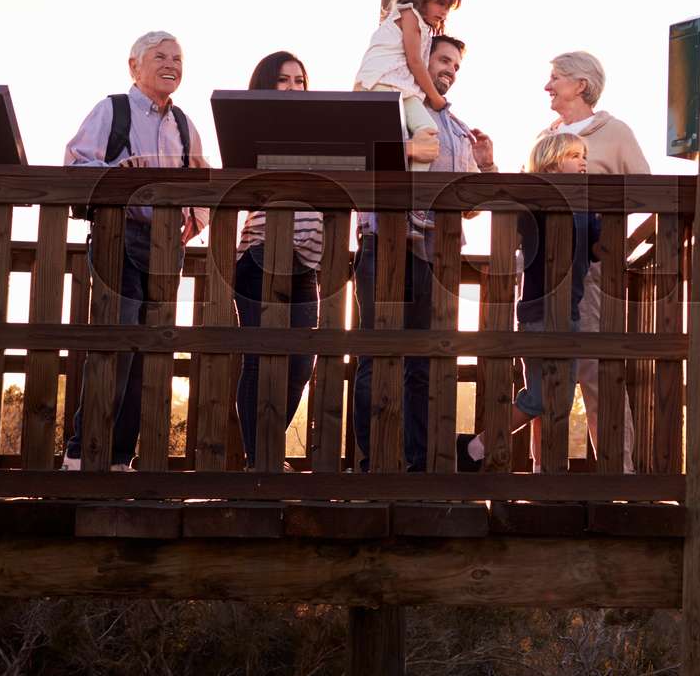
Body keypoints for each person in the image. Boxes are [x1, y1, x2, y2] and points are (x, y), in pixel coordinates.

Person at [62, 31, 209, 470]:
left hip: (167, 249)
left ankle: (120, 459)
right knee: (115, 345)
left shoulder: (184, 123)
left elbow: (204, 184)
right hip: (118, 237)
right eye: (160, 57)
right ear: (134, 67)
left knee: (150, 350)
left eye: (178, 58)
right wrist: (116, 173)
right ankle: (80, 454)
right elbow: (74, 165)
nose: (171, 65)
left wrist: (192, 224)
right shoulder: (112, 110)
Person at [352, 34, 497, 471]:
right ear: (420, 61)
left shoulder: (458, 129)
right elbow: (363, 159)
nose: (450, 70)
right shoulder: (392, 108)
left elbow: (470, 208)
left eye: (456, 66)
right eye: (444, 60)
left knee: (423, 361)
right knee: (377, 353)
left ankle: (416, 462)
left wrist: (486, 163)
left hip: (436, 256)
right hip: (385, 242)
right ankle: (372, 460)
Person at [457, 132, 599, 472]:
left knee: (550, 396)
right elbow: (502, 197)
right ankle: (474, 448)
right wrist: (488, 165)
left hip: (569, 313)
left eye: (584, 155)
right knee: (546, 397)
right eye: (574, 155)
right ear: (551, 160)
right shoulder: (536, 201)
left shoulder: (586, 206)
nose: (583, 161)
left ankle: (540, 470)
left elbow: (597, 248)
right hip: (540, 311)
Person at [539, 50, 648, 471]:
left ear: (580, 85)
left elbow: (647, 191)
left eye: (554, 79)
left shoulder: (614, 132)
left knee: (594, 369)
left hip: (589, 271)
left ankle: (619, 477)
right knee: (543, 368)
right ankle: (544, 477)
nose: (547, 87)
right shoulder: (545, 136)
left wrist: (613, 245)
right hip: (540, 272)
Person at [232, 51, 321, 469]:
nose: (293, 87)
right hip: (261, 254)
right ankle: (259, 459)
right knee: (261, 356)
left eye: (299, 80)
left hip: (306, 260)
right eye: (283, 80)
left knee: (302, 361)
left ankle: (266, 451)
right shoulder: (256, 130)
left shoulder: (324, 132)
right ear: (266, 86)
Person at [352, 0, 462, 190]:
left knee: (428, 130)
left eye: (448, 8)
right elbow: (415, 61)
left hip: (400, 87)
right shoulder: (408, 14)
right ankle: (398, 191)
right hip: (381, 82)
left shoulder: (423, 28)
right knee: (392, 136)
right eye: (440, 3)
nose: (444, 12)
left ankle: (411, 192)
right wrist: (434, 97)